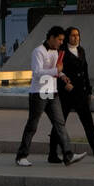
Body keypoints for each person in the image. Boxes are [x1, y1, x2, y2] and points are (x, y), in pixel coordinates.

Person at [15, 26, 86, 167]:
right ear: (51, 37)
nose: (61, 42)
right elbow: (36, 73)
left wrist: (63, 75)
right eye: (59, 39)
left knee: (60, 124)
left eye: (62, 40)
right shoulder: (38, 51)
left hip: (52, 92)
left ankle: (68, 155)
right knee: (32, 125)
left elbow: (57, 71)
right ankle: (21, 156)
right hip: (39, 92)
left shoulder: (56, 52)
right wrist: (56, 70)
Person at [48, 26, 94, 163]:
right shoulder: (61, 51)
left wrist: (89, 91)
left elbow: (85, 71)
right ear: (67, 37)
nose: (76, 38)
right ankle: (52, 154)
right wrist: (65, 85)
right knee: (59, 124)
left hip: (81, 93)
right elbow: (56, 71)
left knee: (88, 123)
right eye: (73, 35)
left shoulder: (81, 51)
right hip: (67, 94)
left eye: (78, 35)